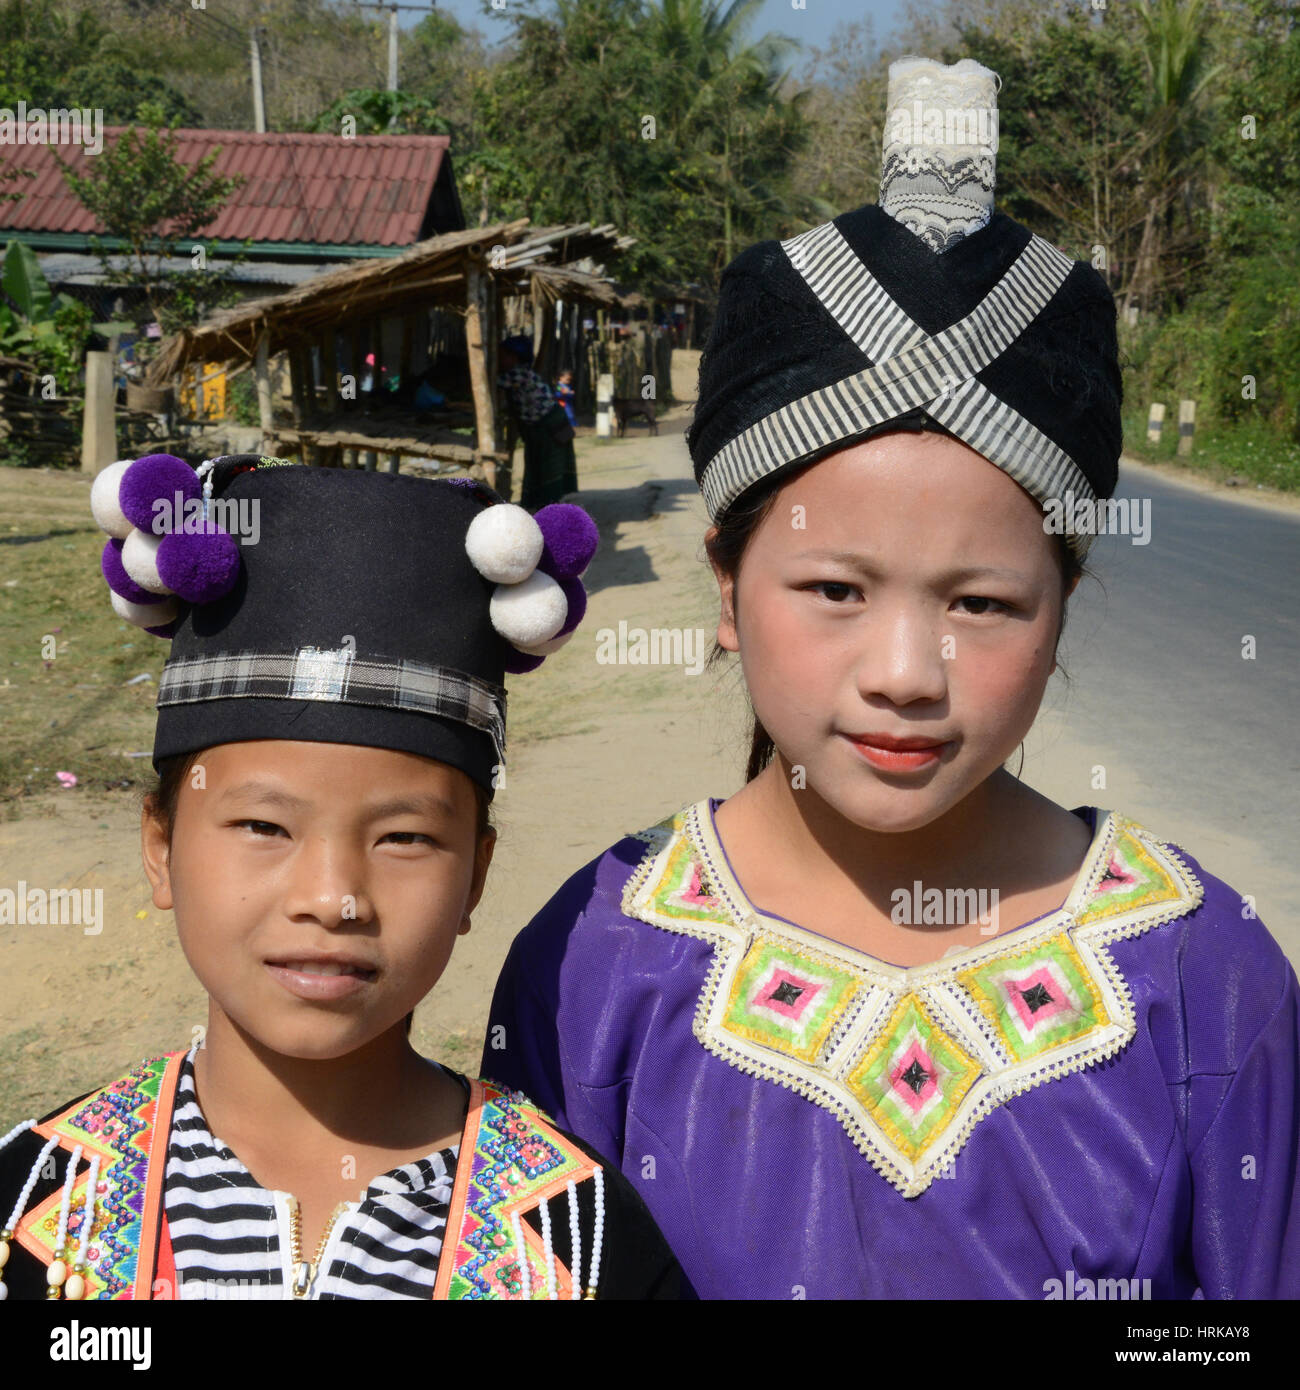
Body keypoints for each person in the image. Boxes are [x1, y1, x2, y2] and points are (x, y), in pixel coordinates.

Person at [479, 57, 1300, 1299]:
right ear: (723, 587)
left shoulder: (1201, 974)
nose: (909, 675)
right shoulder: (592, 965)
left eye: (981, 602)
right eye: (834, 591)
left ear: (1065, 603)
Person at [0, 452, 679, 1300]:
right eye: (262, 825)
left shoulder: (579, 1241)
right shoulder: (34, 1212)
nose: (333, 898)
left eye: (403, 837)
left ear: (476, 875)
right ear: (159, 845)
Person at [496, 336, 577, 509]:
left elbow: (492, 383)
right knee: (539, 464)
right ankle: (543, 504)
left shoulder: (518, 374)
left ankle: (548, 506)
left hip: (549, 425)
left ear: (514, 357)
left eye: (502, 356)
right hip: (546, 424)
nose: (499, 360)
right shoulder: (521, 372)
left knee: (547, 466)